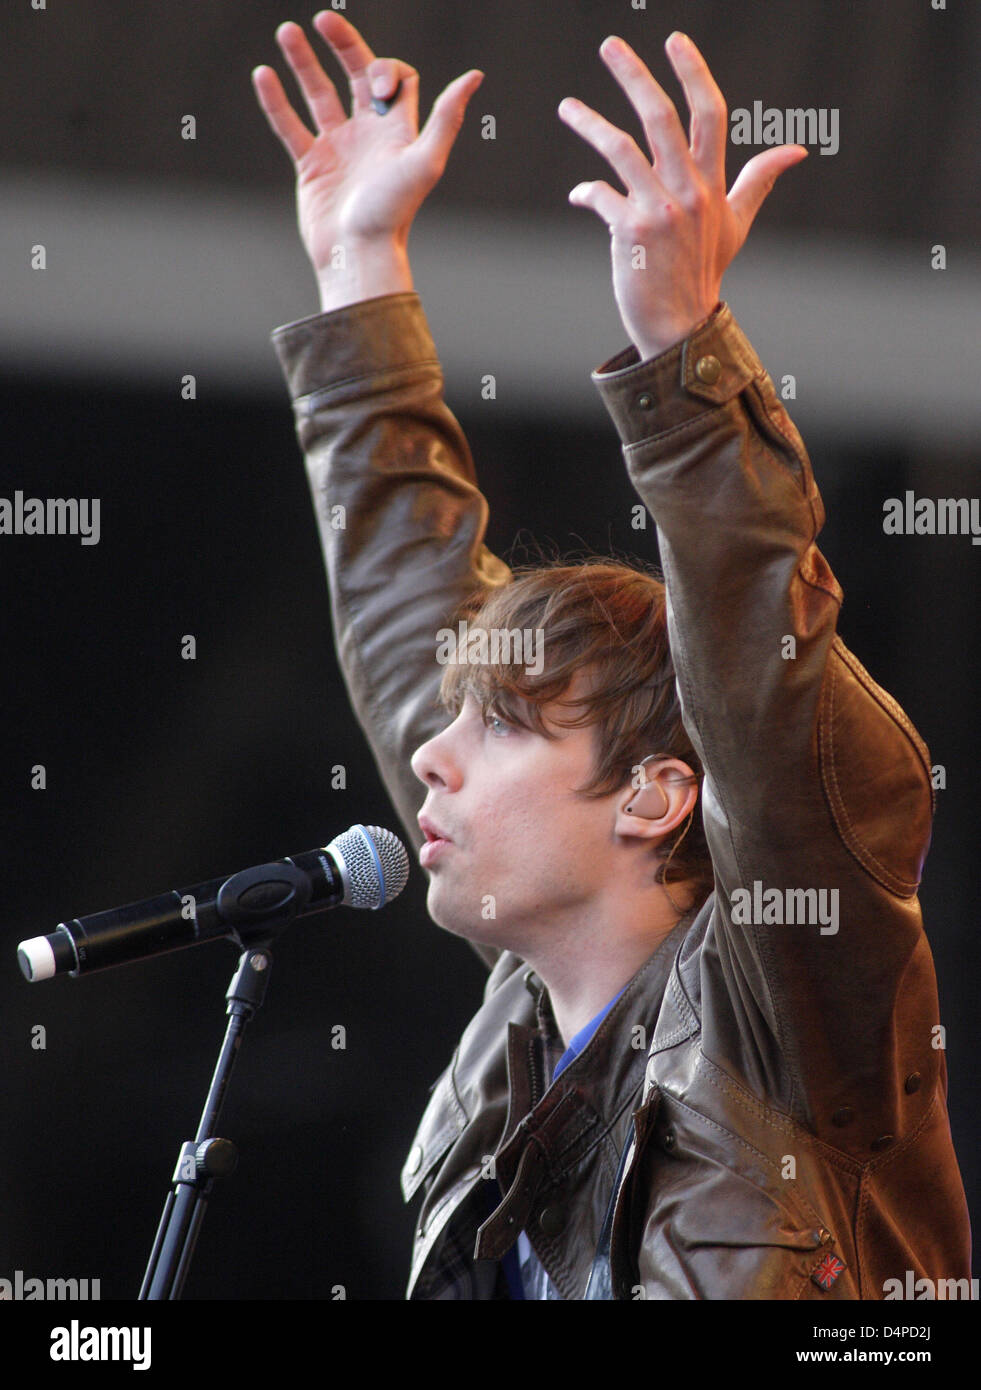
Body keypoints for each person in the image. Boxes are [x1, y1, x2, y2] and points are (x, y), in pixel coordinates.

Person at [252, 11, 971, 1299]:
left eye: (504, 726)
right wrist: (359, 259)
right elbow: (411, 597)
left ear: (657, 793)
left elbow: (766, 682)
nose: (430, 750)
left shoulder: (788, 998)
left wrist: (683, 350)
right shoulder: (521, 1027)